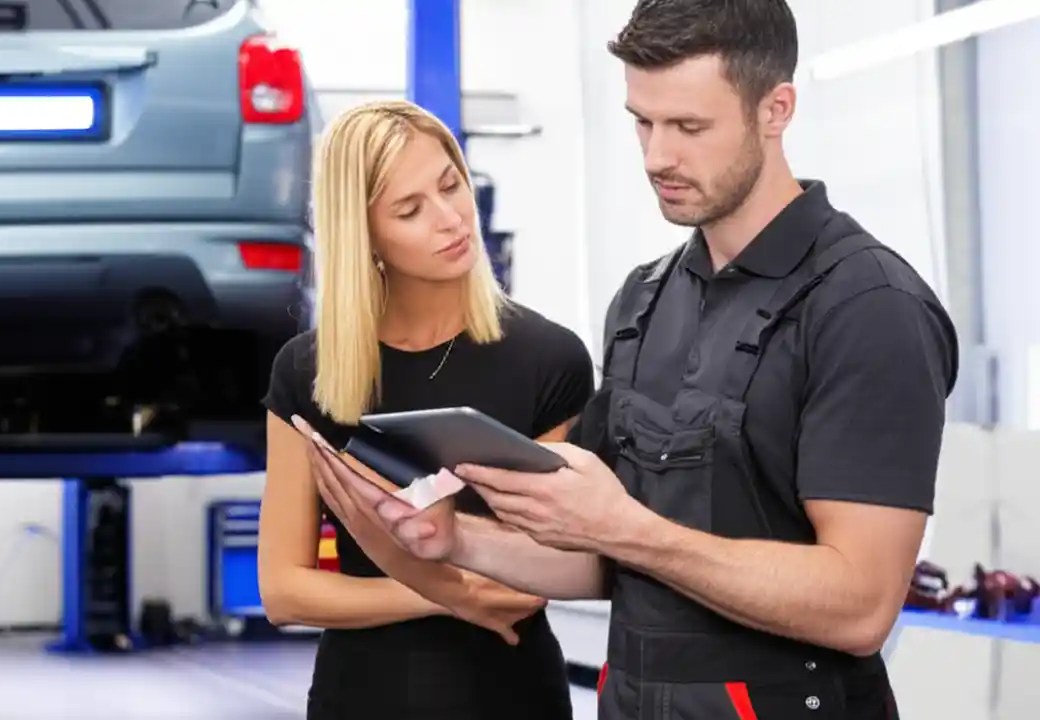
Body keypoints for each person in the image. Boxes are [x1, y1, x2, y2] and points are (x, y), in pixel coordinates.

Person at [299, 2, 960, 719]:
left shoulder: (865, 308)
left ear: (777, 109)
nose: (655, 157)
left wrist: (627, 528)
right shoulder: (645, 302)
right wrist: (457, 537)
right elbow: (601, 560)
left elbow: (860, 606)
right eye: (642, 122)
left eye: (689, 127)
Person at [256, 99, 594, 720]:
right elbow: (282, 589)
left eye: (450, 185)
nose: (451, 219)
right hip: (359, 698)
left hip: (509, 699)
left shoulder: (547, 359)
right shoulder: (310, 373)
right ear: (366, 237)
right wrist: (445, 597)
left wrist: (426, 582)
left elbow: (529, 581)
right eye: (410, 210)